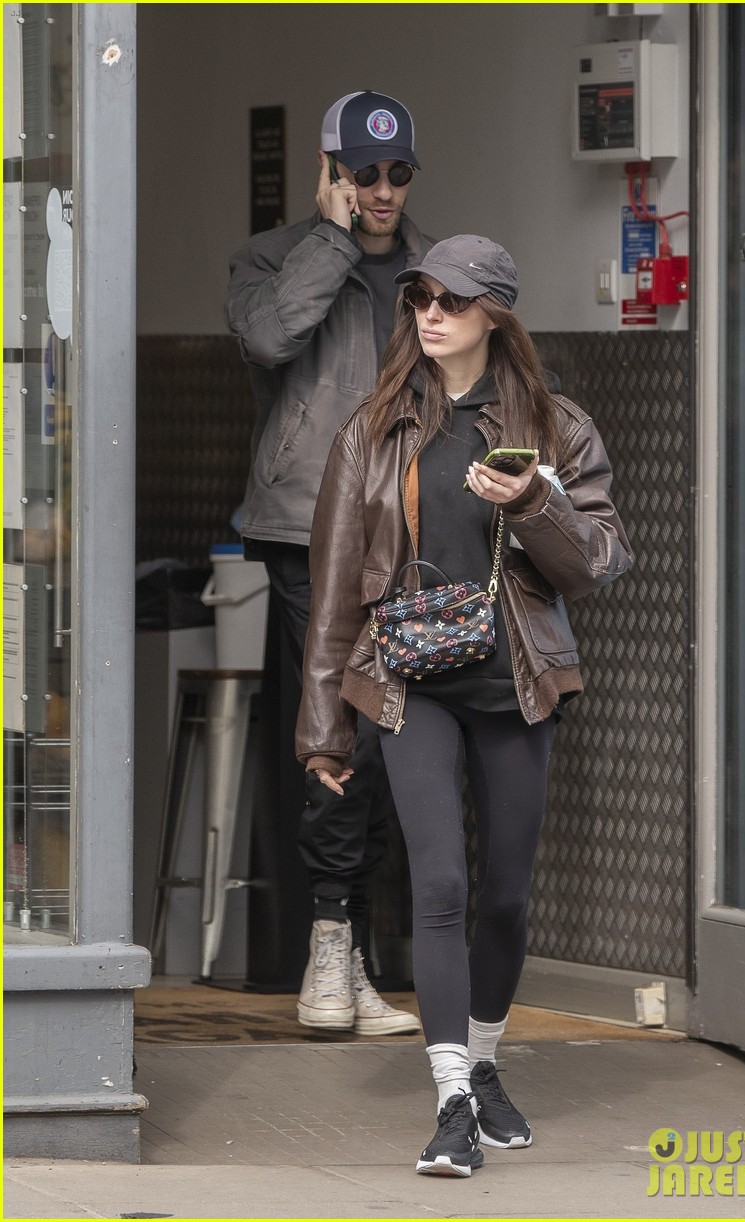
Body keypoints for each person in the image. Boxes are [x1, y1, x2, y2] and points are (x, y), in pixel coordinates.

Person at [296, 235, 633, 1175]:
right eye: (418, 295)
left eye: (451, 298)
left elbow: (600, 558)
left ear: (495, 312)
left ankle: (484, 1068)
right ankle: (449, 1098)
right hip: (407, 682)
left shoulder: (554, 425)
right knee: (438, 885)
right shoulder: (371, 429)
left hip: (515, 681)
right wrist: (323, 723)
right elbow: (331, 587)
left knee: (505, 896)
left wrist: (533, 504)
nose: (430, 312)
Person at [225, 91, 433, 1034]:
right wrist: (334, 237)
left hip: (407, 539)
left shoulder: (432, 276)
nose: (381, 190)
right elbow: (269, 338)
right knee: (335, 729)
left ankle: (349, 949)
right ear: (330, 172)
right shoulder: (274, 258)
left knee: (386, 736)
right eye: (363, 172)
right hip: (306, 527)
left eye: (396, 173)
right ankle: (326, 949)